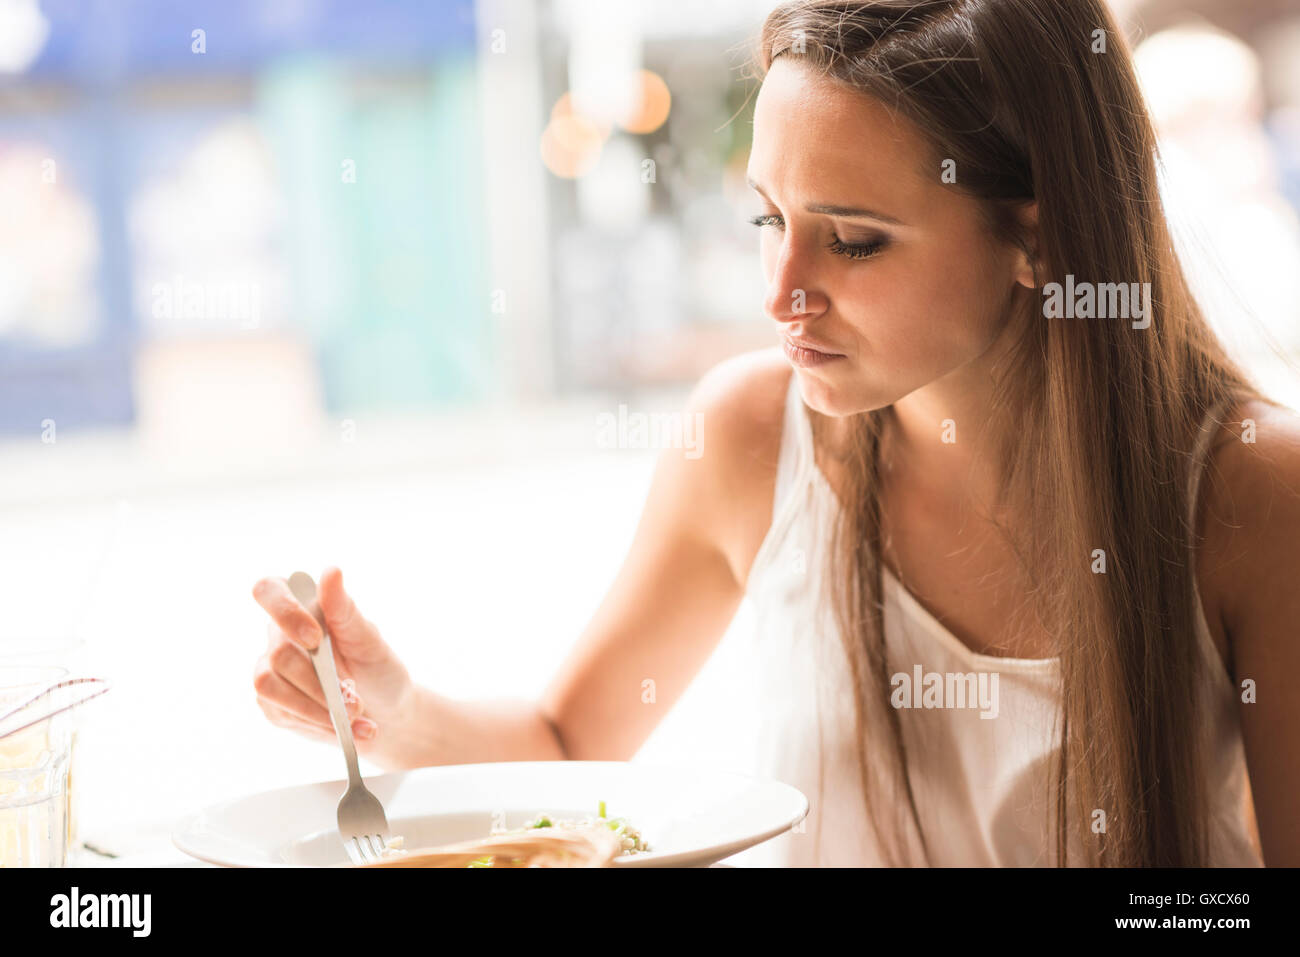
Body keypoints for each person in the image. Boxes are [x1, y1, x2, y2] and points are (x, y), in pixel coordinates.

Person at [251, 0, 1300, 866]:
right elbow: (569, 748)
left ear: (1038, 238)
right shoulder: (748, 436)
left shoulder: (1252, 492)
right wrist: (390, 704)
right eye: (767, 221)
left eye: (852, 240)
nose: (783, 293)